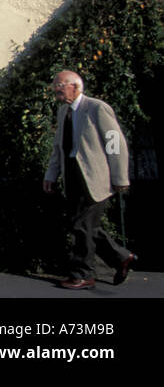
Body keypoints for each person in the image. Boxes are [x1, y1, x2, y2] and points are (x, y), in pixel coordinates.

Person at [42, 70, 134, 289]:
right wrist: (51, 175)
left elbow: (115, 143)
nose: (56, 89)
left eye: (60, 85)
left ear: (76, 86)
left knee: (82, 225)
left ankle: (83, 275)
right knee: (83, 225)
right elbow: (58, 149)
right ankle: (122, 257)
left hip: (94, 177)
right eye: (55, 85)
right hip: (72, 175)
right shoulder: (64, 111)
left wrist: (120, 176)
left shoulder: (96, 108)